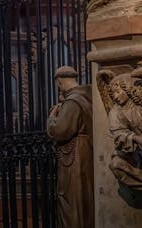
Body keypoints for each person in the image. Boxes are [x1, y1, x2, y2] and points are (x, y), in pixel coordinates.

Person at [46, 66, 93, 228]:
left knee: (71, 196)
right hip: (84, 150)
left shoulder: (73, 101)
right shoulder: (86, 97)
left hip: (75, 153)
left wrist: (52, 117)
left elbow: (60, 130)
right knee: (82, 195)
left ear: (60, 82)